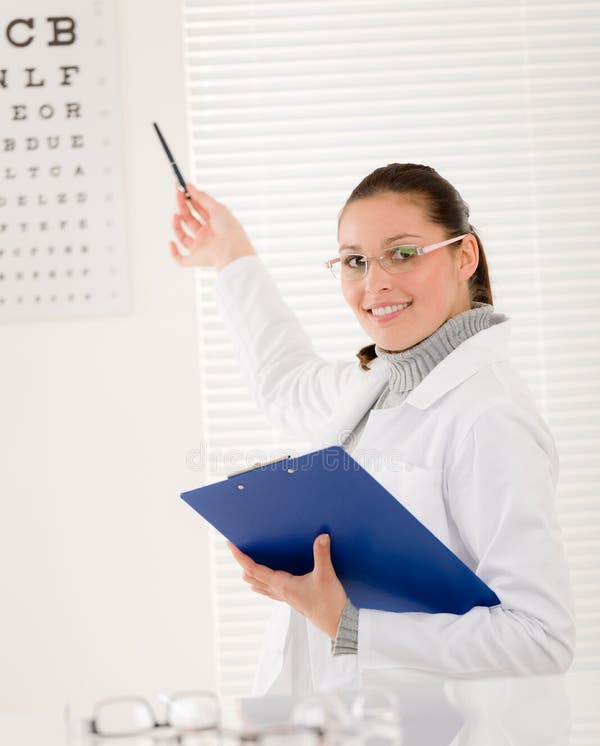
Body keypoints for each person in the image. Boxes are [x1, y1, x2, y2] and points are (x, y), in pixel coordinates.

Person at [170, 162, 575, 695]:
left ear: (465, 256)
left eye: (403, 253)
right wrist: (229, 254)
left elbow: (542, 636)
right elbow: (283, 382)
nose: (375, 282)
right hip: (346, 739)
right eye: (354, 261)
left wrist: (350, 625)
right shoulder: (378, 384)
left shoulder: (490, 418)